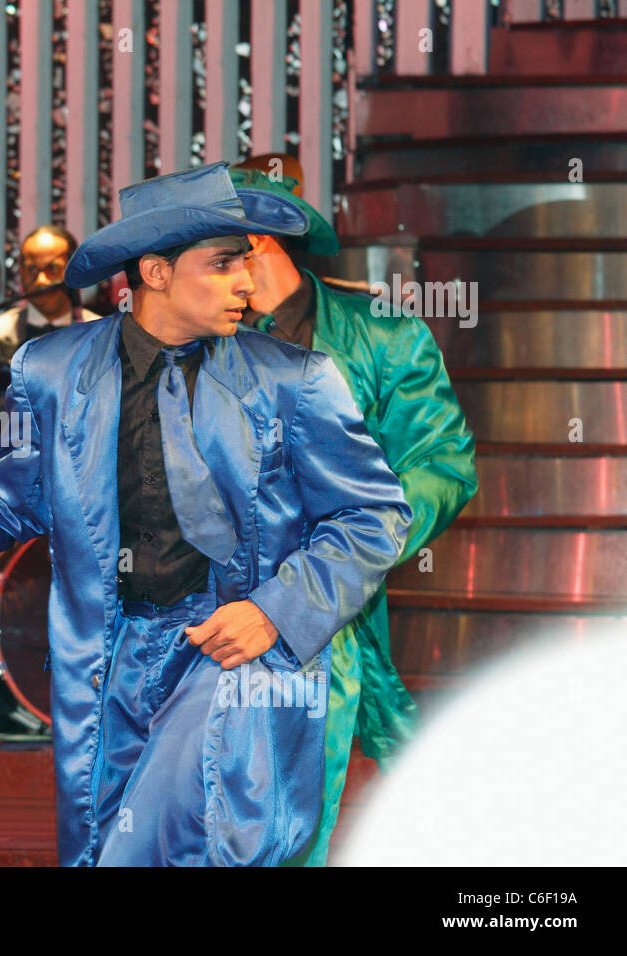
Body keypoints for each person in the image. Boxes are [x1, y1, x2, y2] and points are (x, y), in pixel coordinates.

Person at [0, 161, 413, 866]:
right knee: (110, 847)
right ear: (154, 273)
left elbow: (373, 515)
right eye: (223, 265)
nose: (247, 283)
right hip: (108, 665)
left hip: (234, 652)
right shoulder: (53, 370)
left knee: (211, 841)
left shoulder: (296, 380)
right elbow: (15, 495)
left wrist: (275, 610)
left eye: (246, 263)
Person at [229, 163, 478, 865]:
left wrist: (357, 540)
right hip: (213, 611)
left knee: (298, 816)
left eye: (214, 247)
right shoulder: (196, 340)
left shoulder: (382, 334)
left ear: (257, 243)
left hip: (327, 617)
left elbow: (443, 461)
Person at [0, 225, 101, 364]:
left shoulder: (103, 336)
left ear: (76, 271)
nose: (41, 280)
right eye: (32, 269)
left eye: (53, 268)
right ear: (21, 273)